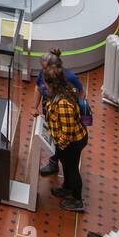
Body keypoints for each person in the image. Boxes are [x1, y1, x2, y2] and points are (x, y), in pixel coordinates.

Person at [33, 49, 85, 179]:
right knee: (54, 133)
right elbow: (38, 88)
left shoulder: (70, 78)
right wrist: (35, 107)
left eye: (45, 69)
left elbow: (81, 93)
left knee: (63, 140)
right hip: (51, 107)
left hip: (64, 112)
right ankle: (54, 162)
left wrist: (74, 109)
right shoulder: (44, 74)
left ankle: (64, 165)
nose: (43, 73)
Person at [43, 67, 88, 213]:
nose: (44, 86)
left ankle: (77, 200)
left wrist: (60, 146)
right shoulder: (59, 94)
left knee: (72, 169)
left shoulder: (63, 103)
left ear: (53, 85)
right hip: (66, 142)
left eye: (46, 84)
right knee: (67, 166)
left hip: (72, 143)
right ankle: (67, 188)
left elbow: (68, 131)